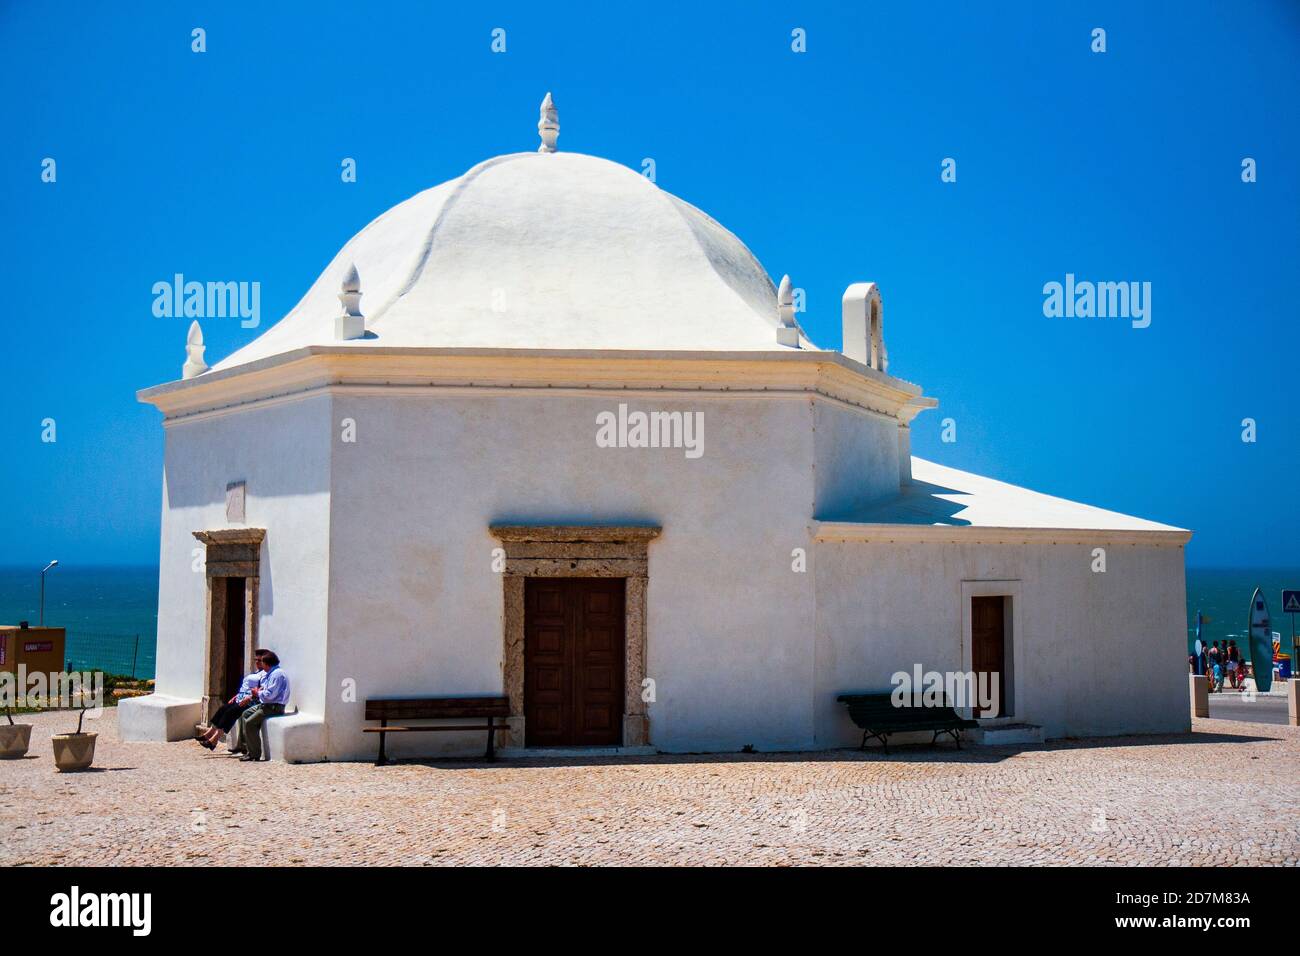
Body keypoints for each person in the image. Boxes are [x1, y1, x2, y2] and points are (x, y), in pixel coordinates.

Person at [237, 649, 290, 762]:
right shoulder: (272, 673)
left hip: (274, 707)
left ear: (267, 663)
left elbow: (269, 695)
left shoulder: (277, 675)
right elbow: (267, 689)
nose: (261, 665)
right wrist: (260, 690)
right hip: (267, 705)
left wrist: (257, 692)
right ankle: (247, 747)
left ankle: (254, 754)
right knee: (245, 714)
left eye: (262, 662)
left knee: (250, 722)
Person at [195, 666, 262, 751]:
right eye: (257, 660)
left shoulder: (265, 675)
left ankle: (214, 740)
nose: (257, 662)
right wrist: (235, 696)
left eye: (260, 660)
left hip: (250, 702)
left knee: (230, 713)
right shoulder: (256, 672)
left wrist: (250, 697)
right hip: (240, 698)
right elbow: (246, 688)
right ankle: (209, 733)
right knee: (223, 709)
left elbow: (260, 689)